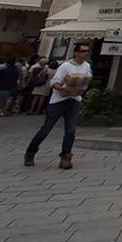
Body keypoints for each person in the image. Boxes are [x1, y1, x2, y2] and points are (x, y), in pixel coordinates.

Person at [25, 41, 93, 170]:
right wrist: (63, 88)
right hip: (58, 101)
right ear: (76, 52)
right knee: (46, 129)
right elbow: (54, 83)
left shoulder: (87, 66)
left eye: (87, 51)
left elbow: (87, 81)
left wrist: (81, 88)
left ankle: (66, 156)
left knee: (71, 130)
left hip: (74, 100)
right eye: (83, 51)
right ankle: (31, 151)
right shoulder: (65, 66)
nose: (86, 53)